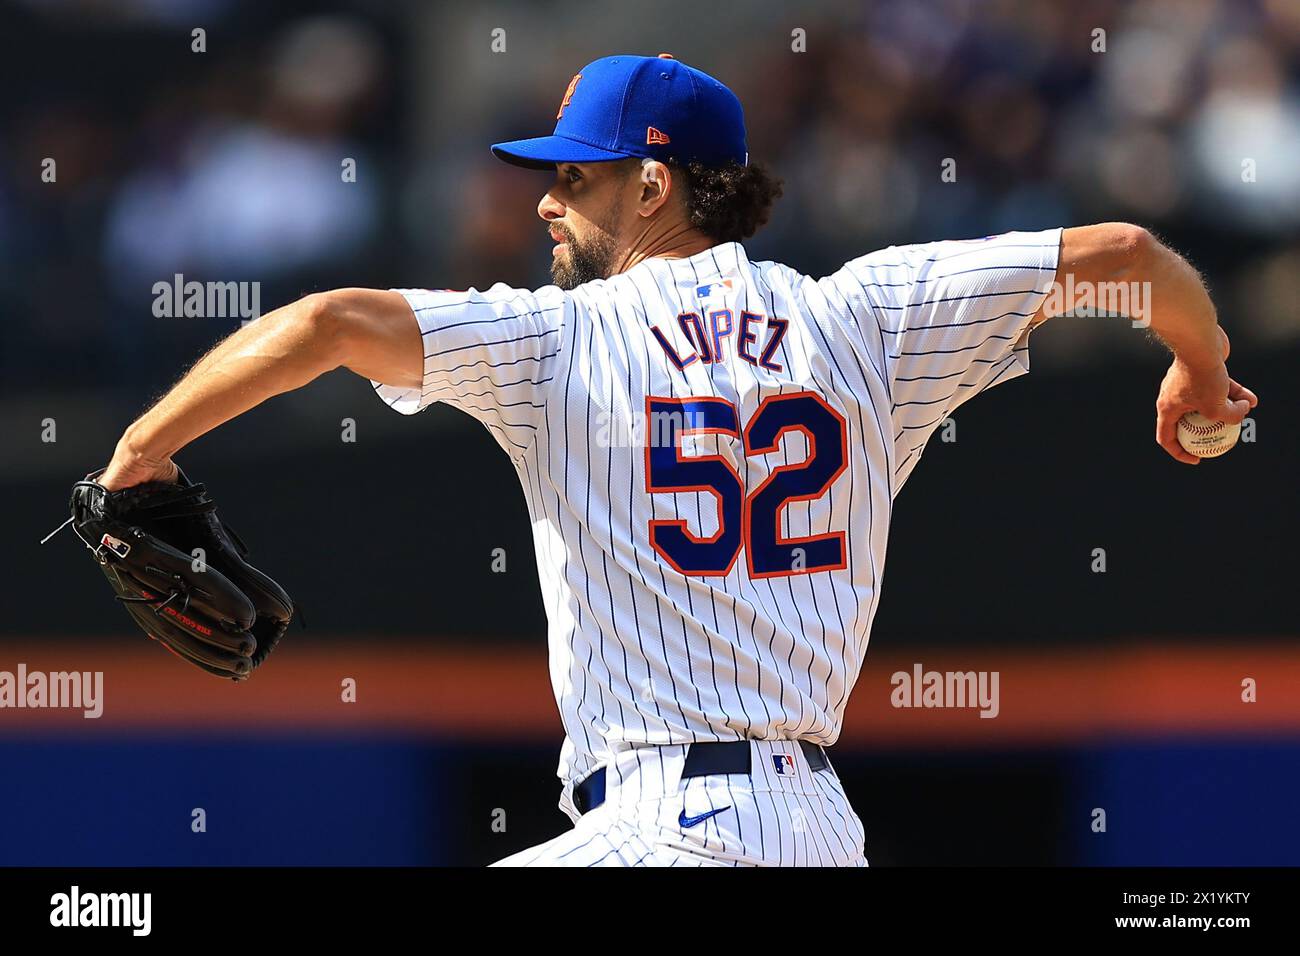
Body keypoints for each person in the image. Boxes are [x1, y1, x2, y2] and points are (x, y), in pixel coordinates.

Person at [99, 54, 1258, 866]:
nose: (548, 202)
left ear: (652, 184)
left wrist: (142, 452)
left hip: (664, 820)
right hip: (814, 827)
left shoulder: (555, 340)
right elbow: (1125, 252)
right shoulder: (864, 319)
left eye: (574, 176)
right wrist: (1199, 374)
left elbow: (324, 324)